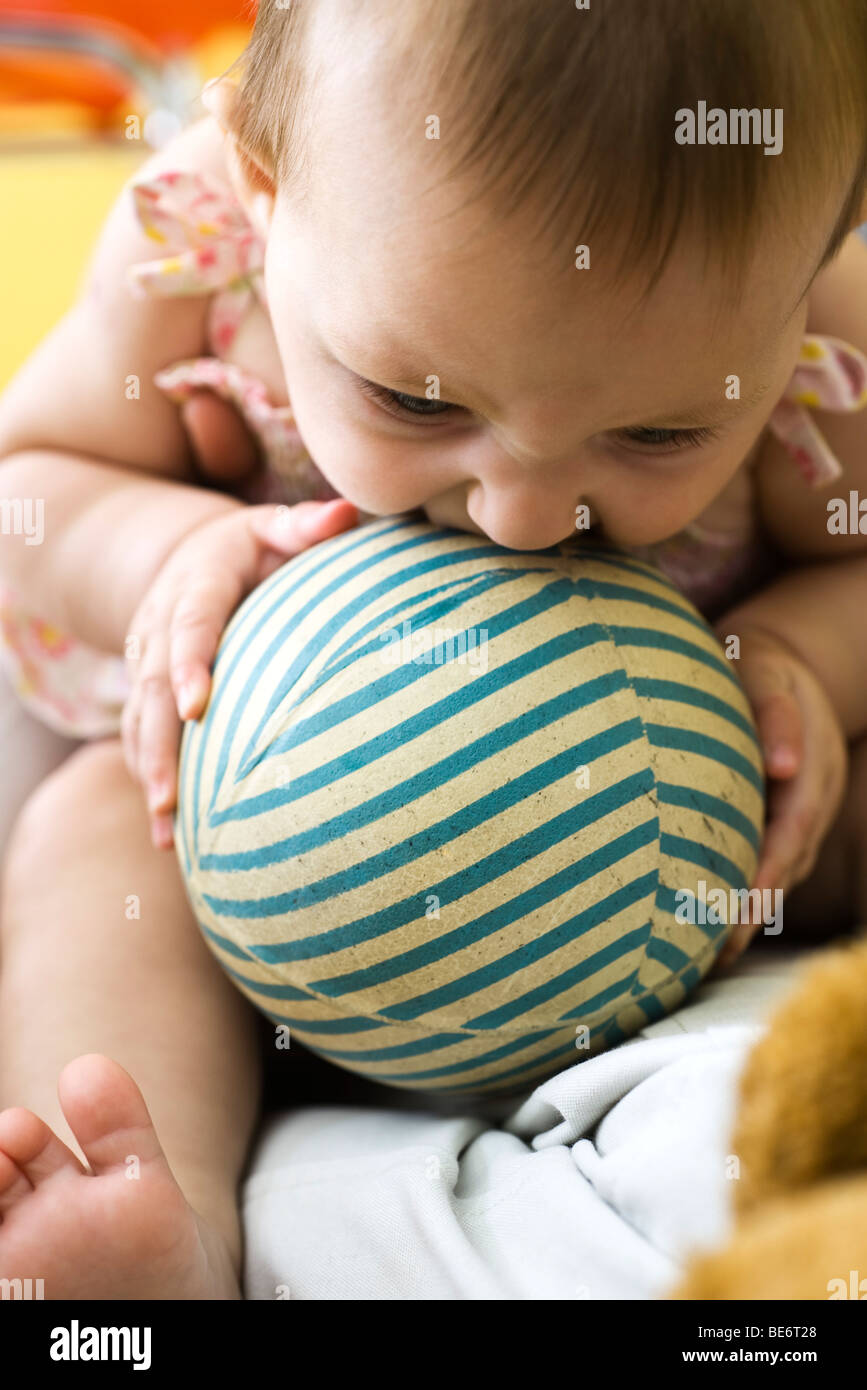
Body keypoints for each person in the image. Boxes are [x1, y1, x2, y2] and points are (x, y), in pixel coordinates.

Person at [1, 0, 866, 1298]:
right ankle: (143, 1204)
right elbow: (32, 483)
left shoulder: (817, 344)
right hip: (256, 826)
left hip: (658, 870)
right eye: (417, 399)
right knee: (92, 828)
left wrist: (793, 655)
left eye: (654, 436)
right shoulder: (193, 266)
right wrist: (164, 552)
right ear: (262, 189)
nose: (520, 515)